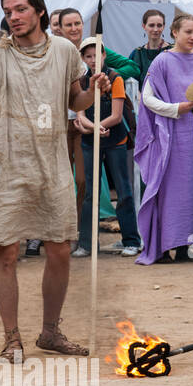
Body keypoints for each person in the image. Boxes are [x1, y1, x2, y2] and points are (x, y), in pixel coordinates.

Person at [0, 0, 108, 360]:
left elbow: (76, 102)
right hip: (6, 165)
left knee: (59, 249)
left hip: (52, 161)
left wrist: (94, 88)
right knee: (6, 253)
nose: (13, 17)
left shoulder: (63, 50)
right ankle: (12, 337)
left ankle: (50, 332)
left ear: (40, 10)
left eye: (21, 9)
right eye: (7, 11)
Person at [135, 14, 193, 264]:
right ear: (174, 33)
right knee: (173, 191)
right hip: (173, 136)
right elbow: (148, 99)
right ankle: (166, 245)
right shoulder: (162, 61)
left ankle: (190, 245)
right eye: (188, 32)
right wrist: (175, 109)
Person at [72, 38, 141, 258]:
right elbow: (80, 114)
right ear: (83, 59)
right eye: (88, 56)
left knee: (123, 191)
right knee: (89, 193)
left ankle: (131, 240)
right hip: (90, 141)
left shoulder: (116, 78)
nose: (93, 60)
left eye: (96, 55)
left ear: (104, 56)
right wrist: (94, 129)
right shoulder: (81, 82)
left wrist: (98, 127)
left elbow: (117, 115)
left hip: (116, 141)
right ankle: (87, 244)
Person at [128, 9, 171, 83]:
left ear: (163, 27)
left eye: (159, 25)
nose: (155, 29)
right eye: (151, 25)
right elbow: (131, 81)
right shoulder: (136, 54)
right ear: (144, 26)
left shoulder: (173, 51)